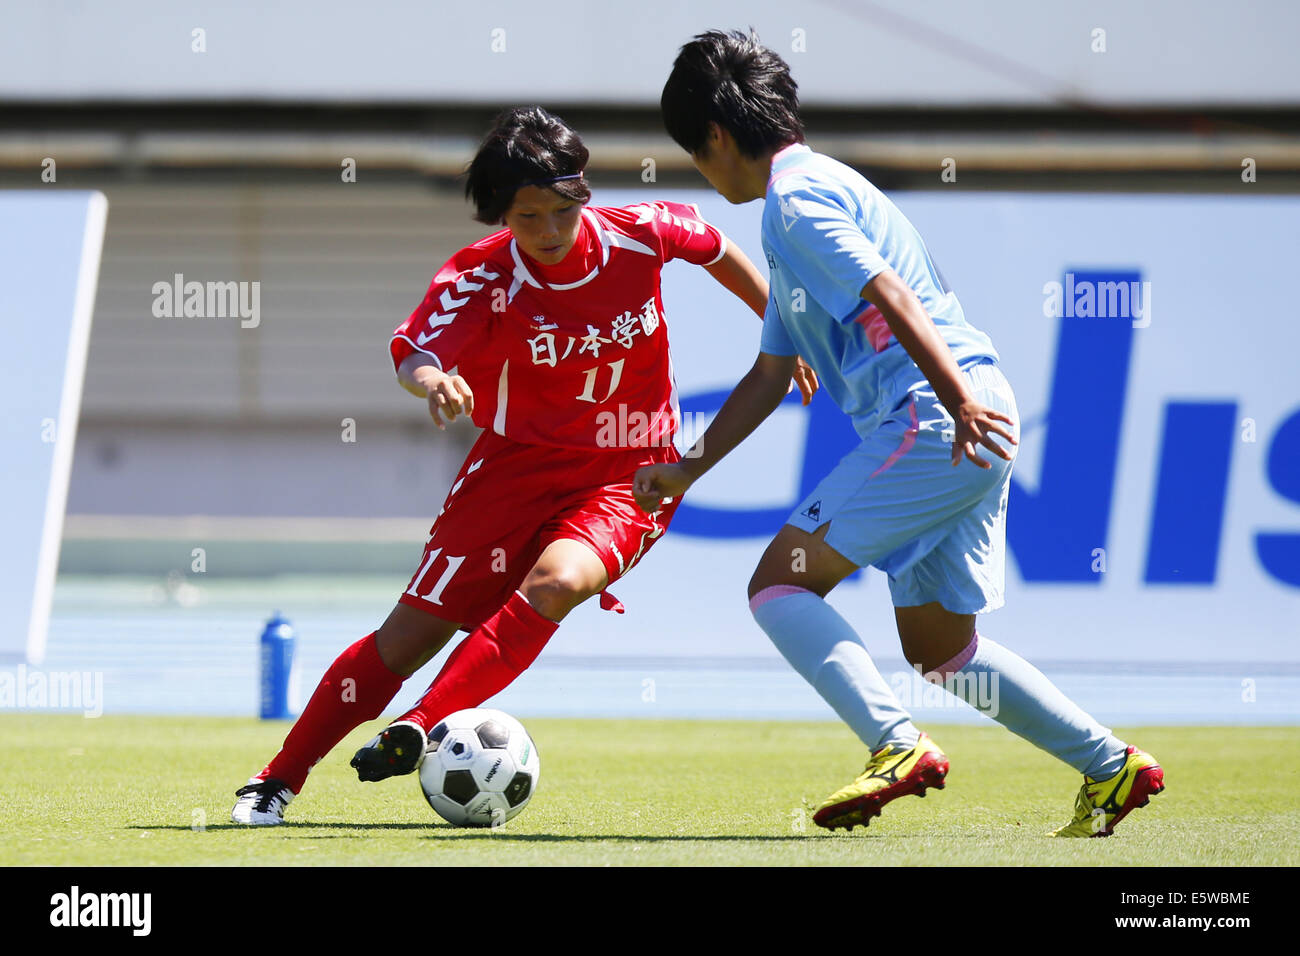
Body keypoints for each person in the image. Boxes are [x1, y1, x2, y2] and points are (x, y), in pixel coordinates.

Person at [637, 29, 1164, 837]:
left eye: (695, 156)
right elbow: (770, 375)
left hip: (936, 417)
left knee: (779, 585)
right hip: (968, 416)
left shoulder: (795, 203)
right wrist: (684, 469)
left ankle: (897, 744)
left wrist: (952, 398)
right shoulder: (815, 201)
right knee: (940, 648)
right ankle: (1111, 765)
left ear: (715, 136)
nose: (703, 175)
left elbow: (887, 291)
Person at [232, 105, 815, 825]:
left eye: (557, 212)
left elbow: (717, 249)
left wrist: (783, 331)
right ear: (502, 217)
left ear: (582, 194)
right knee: (407, 636)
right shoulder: (481, 276)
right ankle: (275, 780)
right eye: (525, 216)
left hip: (633, 466)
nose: (544, 231)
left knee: (560, 580)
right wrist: (433, 381)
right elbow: (416, 350)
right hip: (513, 468)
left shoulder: (644, 233)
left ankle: (423, 723)